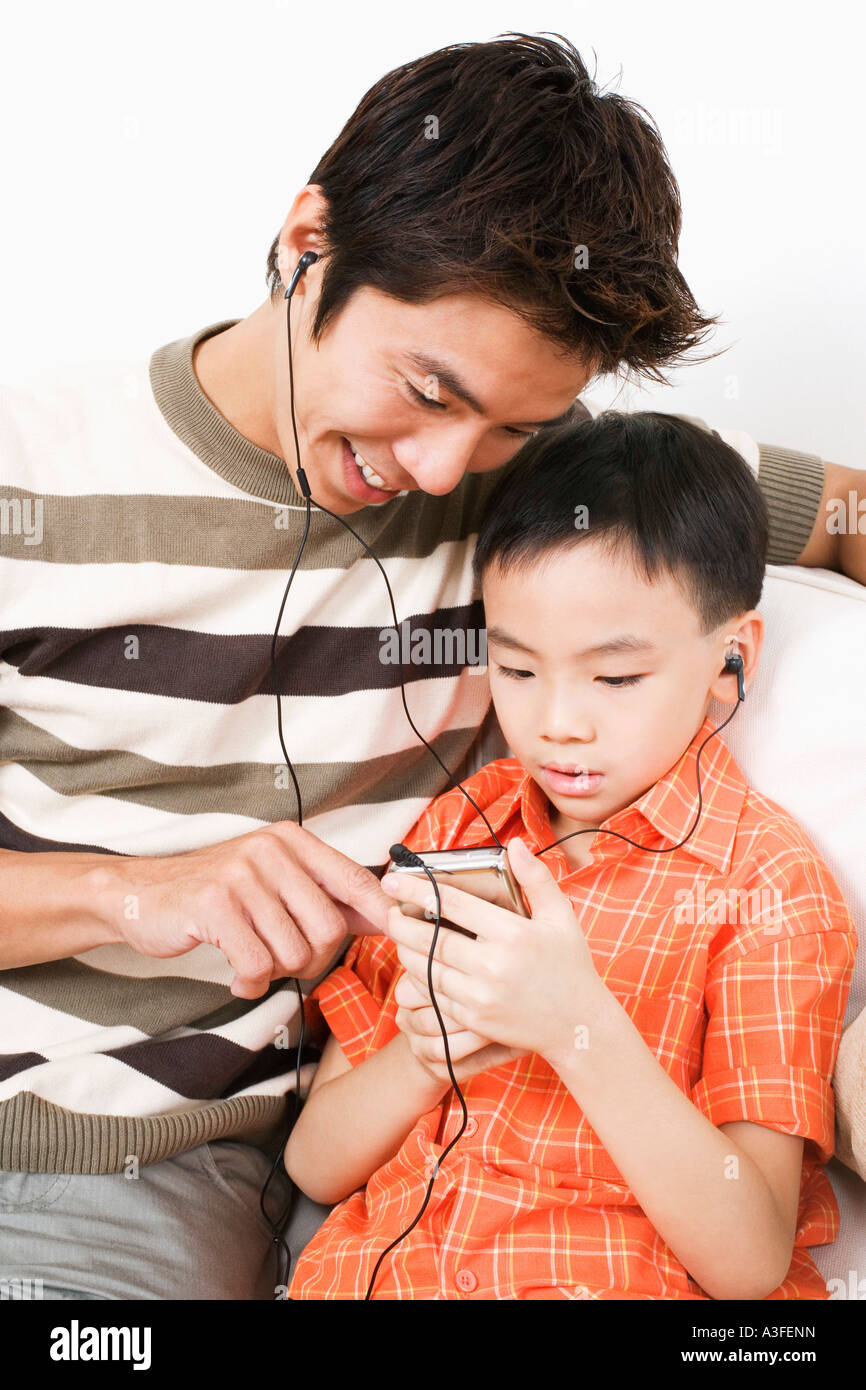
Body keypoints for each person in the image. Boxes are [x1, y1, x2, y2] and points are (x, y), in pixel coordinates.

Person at [0, 34, 861, 1301]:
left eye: (512, 424)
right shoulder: (31, 472)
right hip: (77, 1143)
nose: (449, 468)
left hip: (338, 1155)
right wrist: (131, 894)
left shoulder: (559, 502)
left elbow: (841, 513)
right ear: (308, 245)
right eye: (424, 387)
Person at [284, 411, 857, 1300]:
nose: (558, 723)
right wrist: (425, 1055)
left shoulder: (766, 886)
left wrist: (574, 1025)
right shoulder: (460, 829)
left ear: (730, 658)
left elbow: (749, 1261)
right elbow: (316, 1165)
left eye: (616, 678)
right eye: (516, 670)